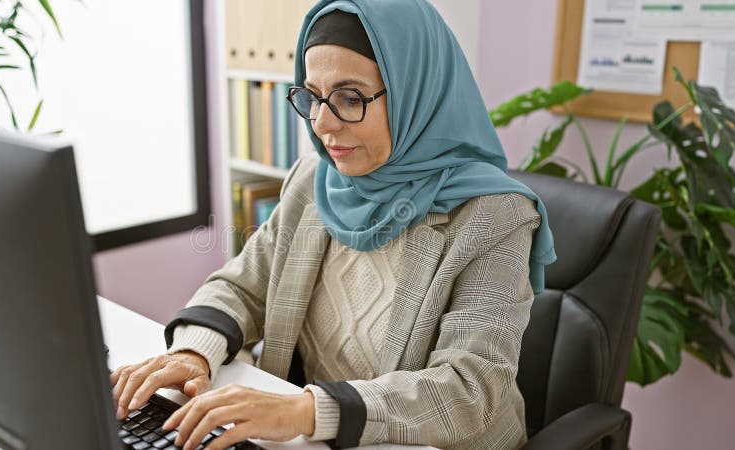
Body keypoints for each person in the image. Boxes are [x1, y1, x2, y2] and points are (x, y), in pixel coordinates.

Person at [110, 1, 556, 449]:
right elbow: (244, 285)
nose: (322, 124)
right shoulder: (316, 179)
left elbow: (467, 389)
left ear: (412, 92)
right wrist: (193, 353)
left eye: (349, 98)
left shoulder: (494, 215)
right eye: (312, 97)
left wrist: (306, 410)